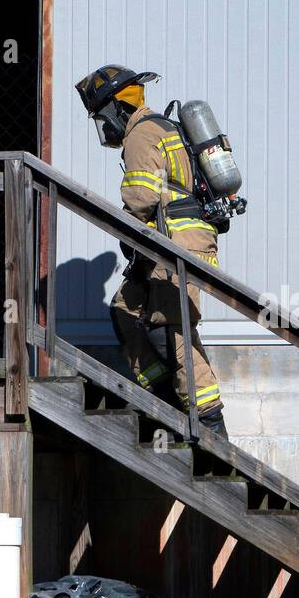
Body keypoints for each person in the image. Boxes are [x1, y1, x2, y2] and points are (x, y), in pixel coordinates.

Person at [75, 65, 227, 436]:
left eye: (101, 116)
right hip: (168, 246)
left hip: (175, 247)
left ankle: (210, 429)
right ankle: (166, 402)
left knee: (173, 333)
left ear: (115, 109)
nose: (103, 126)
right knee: (126, 309)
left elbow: (141, 199)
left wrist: (123, 226)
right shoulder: (161, 127)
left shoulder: (141, 135)